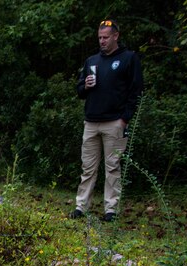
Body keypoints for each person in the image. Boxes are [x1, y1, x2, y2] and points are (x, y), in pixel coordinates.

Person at [71, 18, 143, 223]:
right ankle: (80, 206)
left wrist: (125, 119)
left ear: (115, 36)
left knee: (112, 167)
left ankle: (110, 209)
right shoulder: (91, 61)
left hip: (115, 122)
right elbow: (79, 92)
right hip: (91, 121)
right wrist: (85, 85)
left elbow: (136, 91)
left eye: (105, 37)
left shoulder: (129, 58)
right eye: (99, 38)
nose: (102, 41)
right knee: (88, 167)